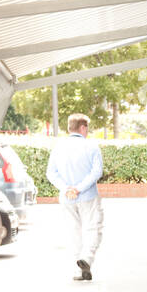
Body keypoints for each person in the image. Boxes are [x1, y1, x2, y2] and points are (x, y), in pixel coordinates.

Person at [45, 113, 104, 281]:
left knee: (73, 232)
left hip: (67, 198)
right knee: (93, 228)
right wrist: (79, 188)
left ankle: (78, 271)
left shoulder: (58, 147)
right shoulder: (91, 146)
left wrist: (67, 189)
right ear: (83, 127)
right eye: (88, 128)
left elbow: (51, 173)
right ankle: (86, 258)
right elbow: (97, 172)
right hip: (88, 196)